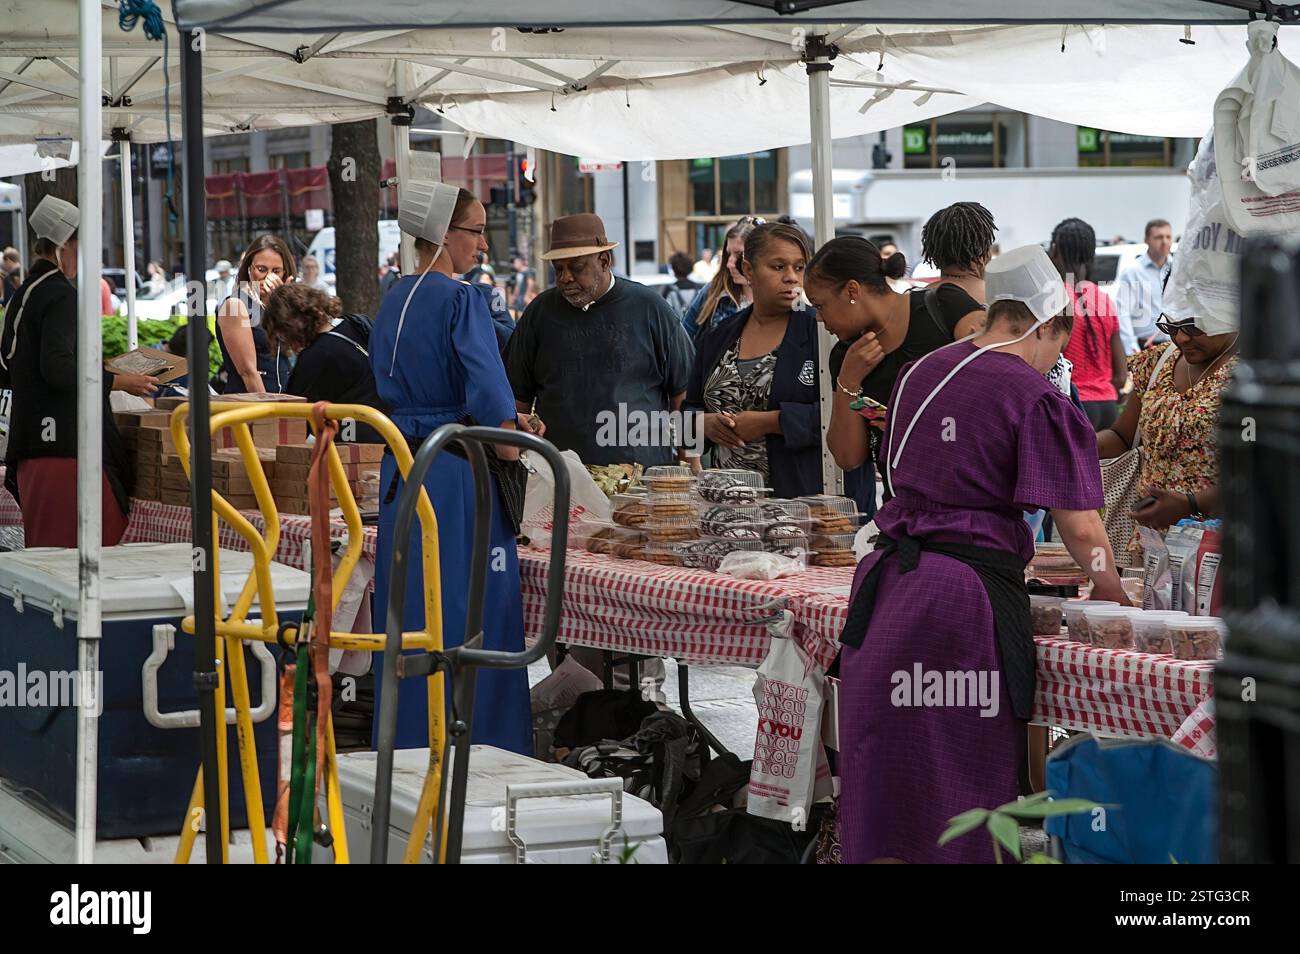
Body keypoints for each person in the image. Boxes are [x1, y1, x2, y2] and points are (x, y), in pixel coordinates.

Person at [836, 245, 1128, 864]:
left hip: (887, 591)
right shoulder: (1033, 395)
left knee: (887, 777)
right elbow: (1078, 526)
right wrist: (1116, 598)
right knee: (956, 783)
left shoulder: (920, 370)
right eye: (1059, 349)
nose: (1057, 364)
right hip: (957, 607)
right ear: (1048, 326)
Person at [370, 182, 535, 754]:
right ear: (444, 235)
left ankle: (408, 749)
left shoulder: (392, 297)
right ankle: (483, 750)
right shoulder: (463, 298)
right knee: (470, 617)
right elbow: (491, 398)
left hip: (403, 472)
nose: (484, 244)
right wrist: (515, 454)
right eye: (476, 230)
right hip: (457, 476)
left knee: (409, 614)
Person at [0, 196, 157, 547]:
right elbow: (56, 368)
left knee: (47, 561)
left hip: (31, 449)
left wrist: (100, 369)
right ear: (64, 245)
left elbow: (14, 367)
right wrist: (120, 380)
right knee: (83, 558)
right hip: (67, 449)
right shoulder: (60, 295)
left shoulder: (24, 294)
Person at [807, 236, 985, 520]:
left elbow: (998, 396)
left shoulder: (943, 306)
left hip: (972, 506)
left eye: (821, 304)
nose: (818, 317)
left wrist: (915, 424)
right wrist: (848, 382)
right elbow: (847, 457)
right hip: (903, 512)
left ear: (852, 290)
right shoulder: (846, 357)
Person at [505, 212, 694, 470]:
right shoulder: (539, 314)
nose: (565, 278)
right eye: (558, 269)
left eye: (576, 267)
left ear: (604, 260)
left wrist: (690, 464)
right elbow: (517, 402)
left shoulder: (651, 308)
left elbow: (684, 396)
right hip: (562, 479)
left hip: (643, 479)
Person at [684, 223, 823, 495]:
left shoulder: (821, 333)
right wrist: (703, 426)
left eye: (799, 267)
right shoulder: (718, 337)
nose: (792, 278)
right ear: (748, 270)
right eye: (778, 267)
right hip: (728, 505)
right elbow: (688, 412)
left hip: (800, 504)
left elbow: (844, 417)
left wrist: (772, 421)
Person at [1096, 307, 1237, 541]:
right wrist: (1074, 446)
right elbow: (1122, 437)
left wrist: (1191, 504)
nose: (1181, 337)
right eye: (1172, 326)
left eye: (1193, 326)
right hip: (1152, 545)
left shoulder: (1253, 377)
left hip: (1218, 548)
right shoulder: (1160, 362)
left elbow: (1259, 473)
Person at [260, 283, 385, 442]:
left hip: (355, 445)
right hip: (389, 429)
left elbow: (293, 417)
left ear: (287, 326)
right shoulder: (357, 324)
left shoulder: (316, 356)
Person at [1047, 218, 1126, 431]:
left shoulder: (1053, 298)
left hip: (1073, 407)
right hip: (1108, 409)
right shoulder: (1103, 299)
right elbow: (1120, 376)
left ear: (1054, 249)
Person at [214, 235, 294, 394]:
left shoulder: (276, 307)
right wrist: (267, 414)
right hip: (253, 405)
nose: (269, 277)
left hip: (284, 400)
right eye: (262, 269)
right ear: (249, 269)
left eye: (276, 271)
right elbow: (248, 372)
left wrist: (284, 303)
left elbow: (294, 349)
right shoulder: (236, 305)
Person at [681, 216, 761, 341]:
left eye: (739, 254)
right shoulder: (713, 290)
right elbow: (683, 339)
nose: (730, 264)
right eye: (728, 254)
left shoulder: (781, 295)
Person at [1115, 218, 1174, 352]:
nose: (1164, 242)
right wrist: (1131, 349)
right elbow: (1123, 313)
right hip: (1145, 347)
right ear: (1147, 240)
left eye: (1168, 237)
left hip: (1174, 346)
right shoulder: (1133, 272)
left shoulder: (1178, 269)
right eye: (1159, 237)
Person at [660, 251, 702, 318]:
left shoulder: (669, 290)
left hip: (676, 327)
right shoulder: (700, 289)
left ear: (673, 269)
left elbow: (664, 314)